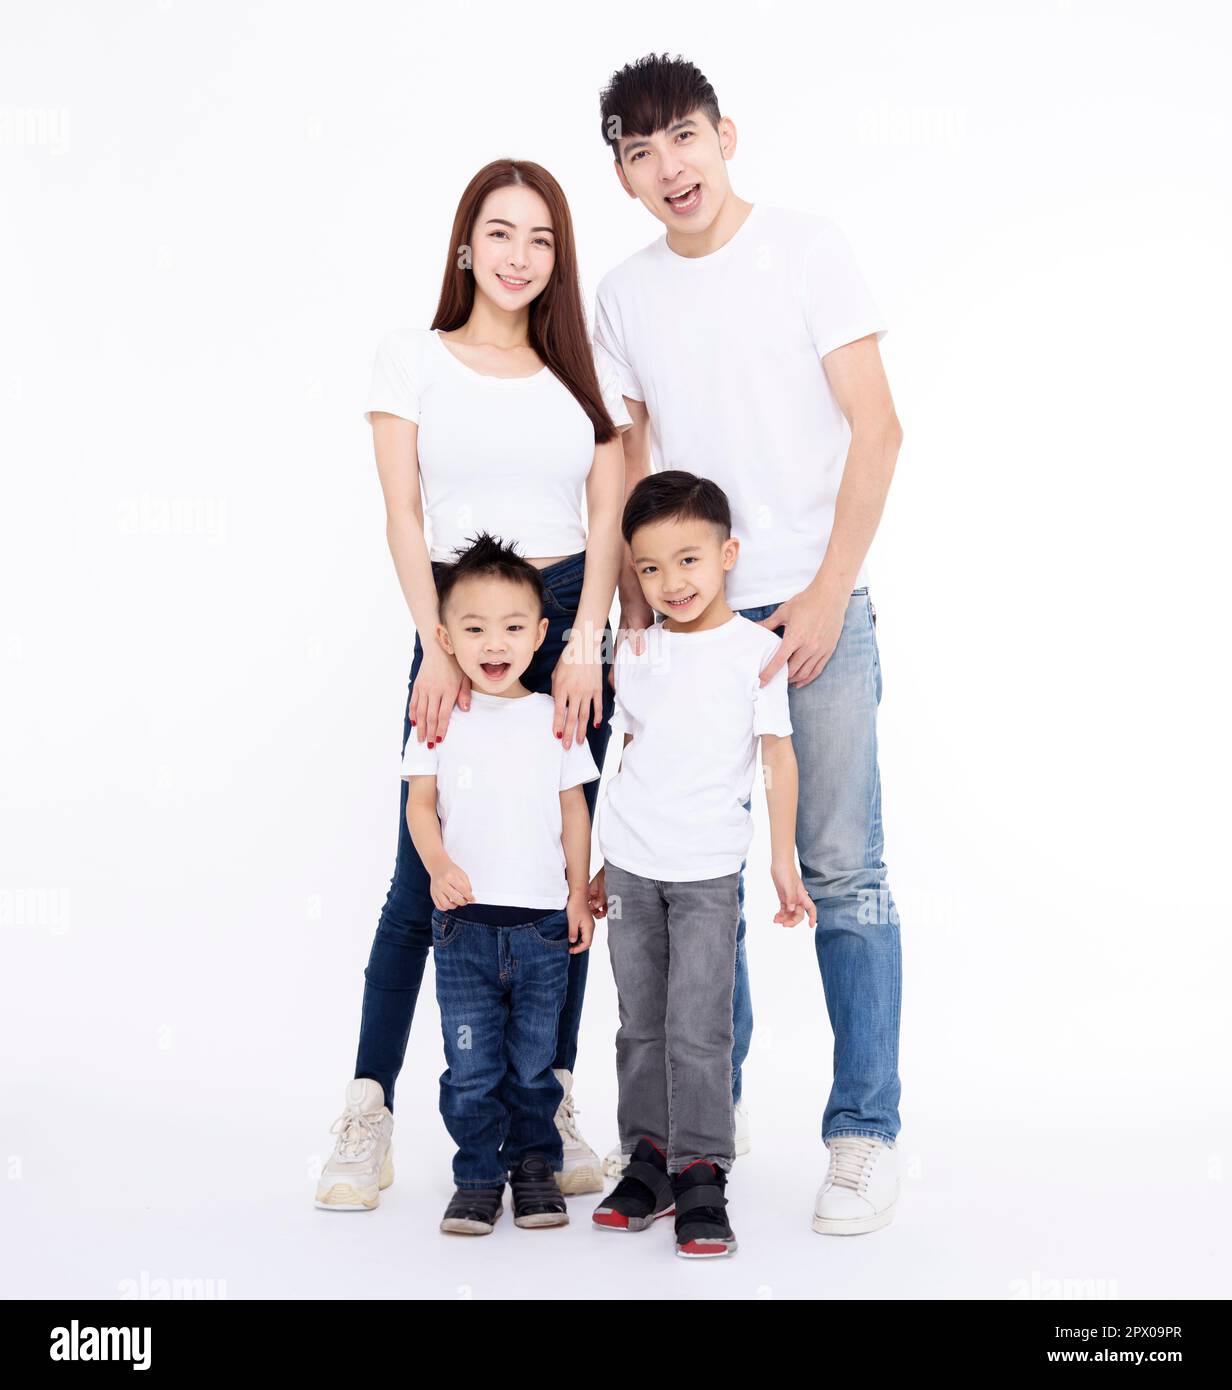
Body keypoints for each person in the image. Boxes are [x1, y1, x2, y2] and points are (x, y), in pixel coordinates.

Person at [592, 53, 906, 1234]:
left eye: (682, 139)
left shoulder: (807, 249)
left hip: (815, 610)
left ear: (725, 134)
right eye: (638, 152)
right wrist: (630, 621)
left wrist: (826, 592)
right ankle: (689, 1137)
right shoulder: (624, 295)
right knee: (688, 878)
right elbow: (628, 461)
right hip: (688, 623)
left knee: (839, 873)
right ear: (620, 175)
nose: (667, 167)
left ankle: (864, 1134)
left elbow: (876, 429)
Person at [315, 159, 628, 1211]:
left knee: (559, 875)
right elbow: (403, 515)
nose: (518, 256)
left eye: (540, 240)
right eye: (500, 233)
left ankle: (551, 1100)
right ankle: (368, 1110)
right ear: (465, 245)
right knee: (423, 883)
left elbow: (605, 515)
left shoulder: (580, 376)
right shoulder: (412, 358)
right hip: (456, 620)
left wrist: (585, 639)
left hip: (567, 623)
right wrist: (434, 644)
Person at [588, 472, 815, 1259]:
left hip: (708, 876)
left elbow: (777, 759)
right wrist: (596, 866)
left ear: (728, 555)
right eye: (650, 568)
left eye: (688, 560)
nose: (670, 582)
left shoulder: (757, 653)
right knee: (638, 1027)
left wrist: (783, 860)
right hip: (629, 870)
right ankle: (646, 1159)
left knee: (698, 1029)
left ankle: (700, 1170)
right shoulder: (639, 650)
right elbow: (628, 752)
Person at [402, 535, 600, 1235]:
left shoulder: (554, 717)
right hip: (465, 930)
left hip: (543, 927)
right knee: (471, 1066)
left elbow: (574, 811)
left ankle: (534, 1169)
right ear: (445, 636)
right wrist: (437, 866)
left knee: (532, 1066)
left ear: (541, 634)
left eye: (514, 627)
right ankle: (478, 1177)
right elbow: (419, 805)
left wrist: (578, 894)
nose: (495, 643)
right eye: (475, 628)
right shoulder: (439, 718)